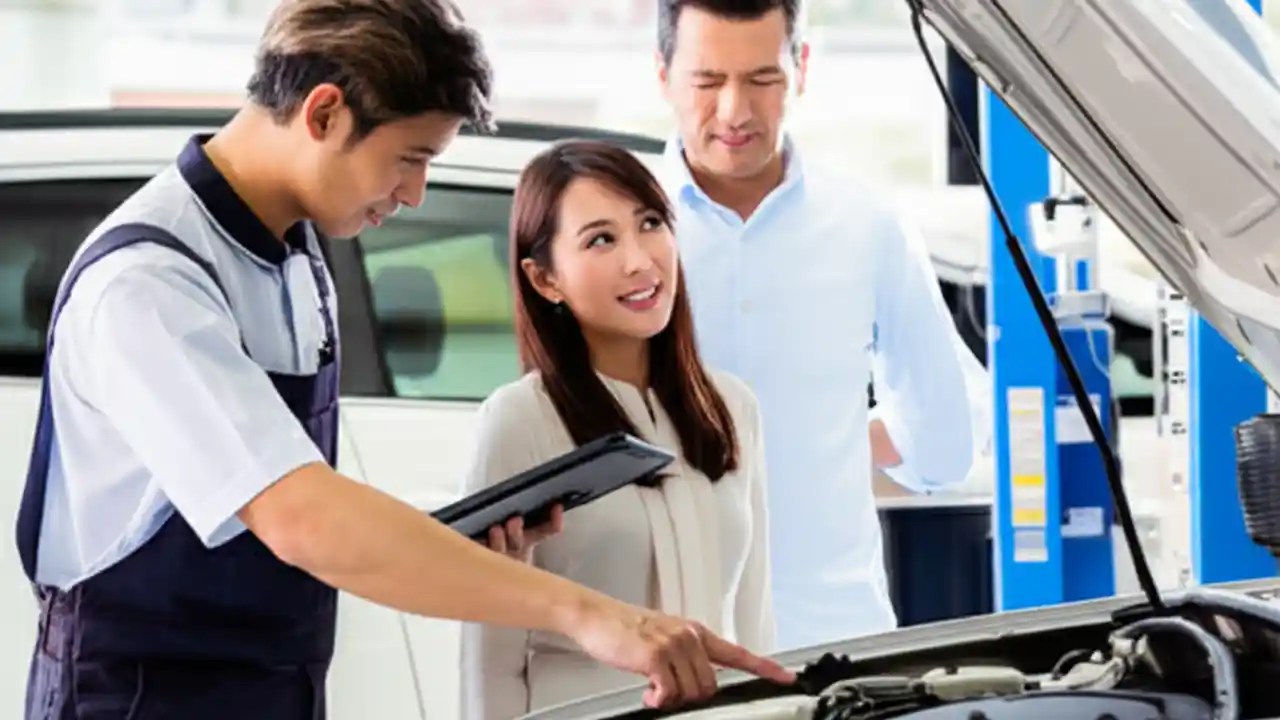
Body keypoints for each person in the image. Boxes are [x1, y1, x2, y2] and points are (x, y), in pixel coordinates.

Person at [13, 2, 793, 717]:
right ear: (324, 112)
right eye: (410, 157)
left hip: (269, 689)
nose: (416, 194)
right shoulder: (150, 285)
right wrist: (589, 613)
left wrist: (452, 548)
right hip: (139, 699)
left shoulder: (297, 257)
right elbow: (300, 517)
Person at [654, 0, 979, 651]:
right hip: (669, 647)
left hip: (816, 642)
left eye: (762, 79)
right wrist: (822, 438)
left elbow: (946, 441)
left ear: (801, 68)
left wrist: (822, 439)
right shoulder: (625, 232)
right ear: (662, 76)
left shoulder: (869, 225)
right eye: (708, 81)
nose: (735, 111)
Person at [458, 139, 776, 719]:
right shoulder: (520, 419)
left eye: (650, 223)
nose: (640, 260)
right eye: (600, 239)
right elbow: (489, 657)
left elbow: (755, 620)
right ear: (544, 278)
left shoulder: (733, 406)